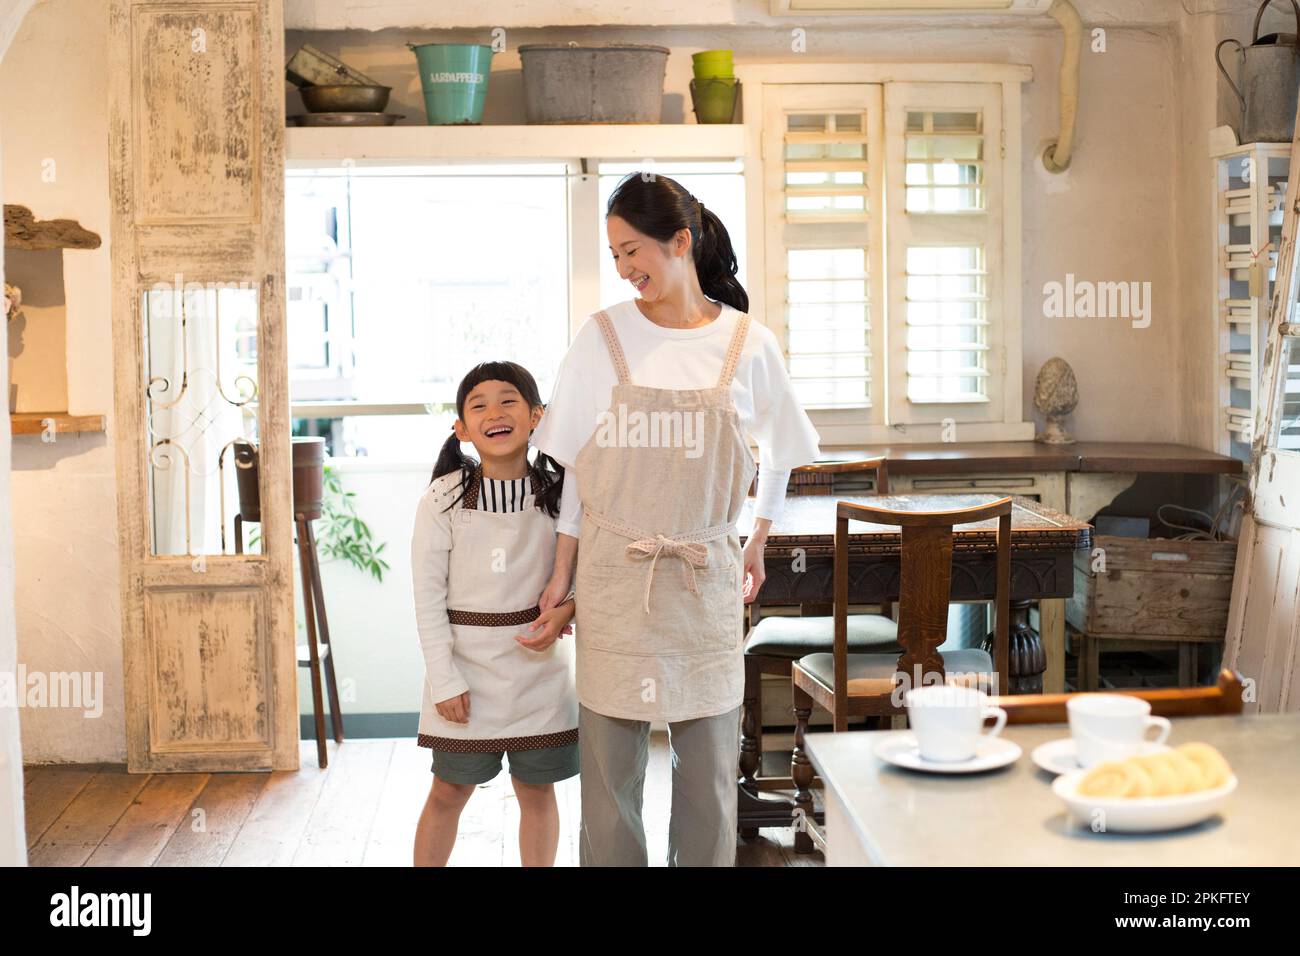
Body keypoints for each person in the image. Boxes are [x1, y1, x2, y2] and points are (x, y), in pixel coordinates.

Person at [532, 173, 822, 866]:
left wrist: (758, 535)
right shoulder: (601, 338)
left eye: (635, 251)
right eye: (615, 257)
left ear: (681, 242)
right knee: (609, 781)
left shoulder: (748, 343)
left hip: (704, 576)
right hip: (615, 575)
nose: (627, 270)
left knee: (710, 779)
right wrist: (560, 576)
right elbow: (576, 468)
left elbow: (784, 451)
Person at [411, 361, 578, 867]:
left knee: (537, 792)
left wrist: (568, 608)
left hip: (540, 671)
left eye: (509, 401)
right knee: (448, 792)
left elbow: (585, 571)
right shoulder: (444, 497)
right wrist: (443, 678)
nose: (495, 412)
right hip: (466, 675)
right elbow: (425, 594)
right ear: (461, 427)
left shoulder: (562, 494)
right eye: (478, 405)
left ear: (536, 417)